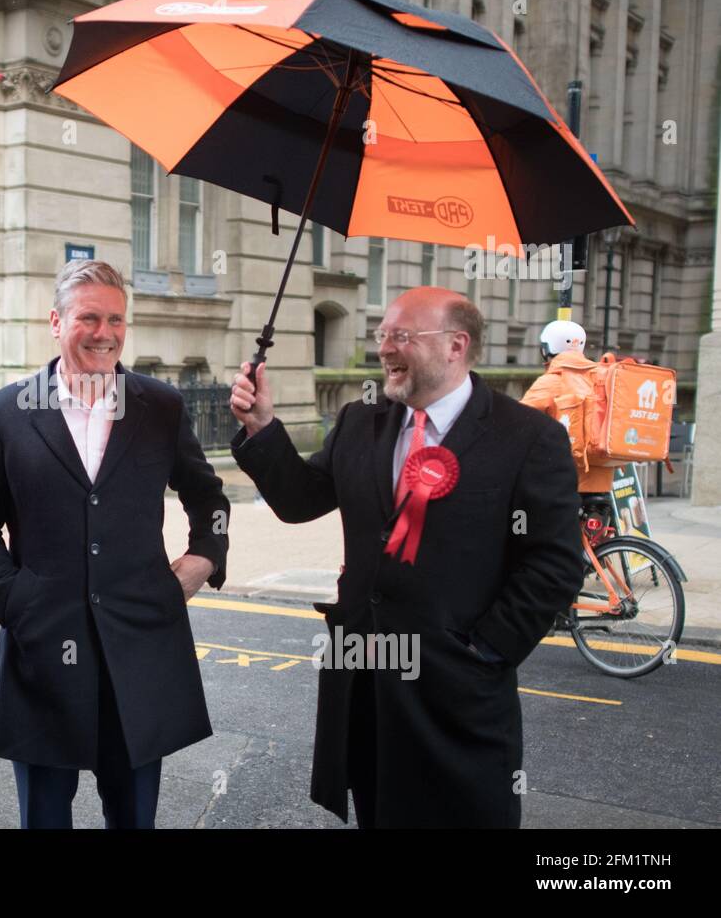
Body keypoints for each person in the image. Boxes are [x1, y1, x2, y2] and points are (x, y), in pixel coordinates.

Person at [228, 286, 583, 828]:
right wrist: (263, 430)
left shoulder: (526, 437)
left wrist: (483, 653)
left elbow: (555, 565)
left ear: (455, 345)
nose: (385, 349)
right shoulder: (359, 420)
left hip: (458, 700)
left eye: (401, 336)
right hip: (367, 688)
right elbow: (300, 500)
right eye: (381, 334)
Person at [0, 259, 229, 829]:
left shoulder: (160, 406)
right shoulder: (5, 412)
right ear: (56, 322)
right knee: (45, 819)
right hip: (43, 650)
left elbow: (208, 495)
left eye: (116, 320)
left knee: (134, 819)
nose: (104, 333)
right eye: (88, 318)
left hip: (140, 649)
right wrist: (10, 597)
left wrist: (204, 555)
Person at [520, 320, 615, 495]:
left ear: (545, 349)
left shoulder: (551, 381)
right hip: (604, 483)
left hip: (559, 481)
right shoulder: (603, 379)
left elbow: (518, 419)